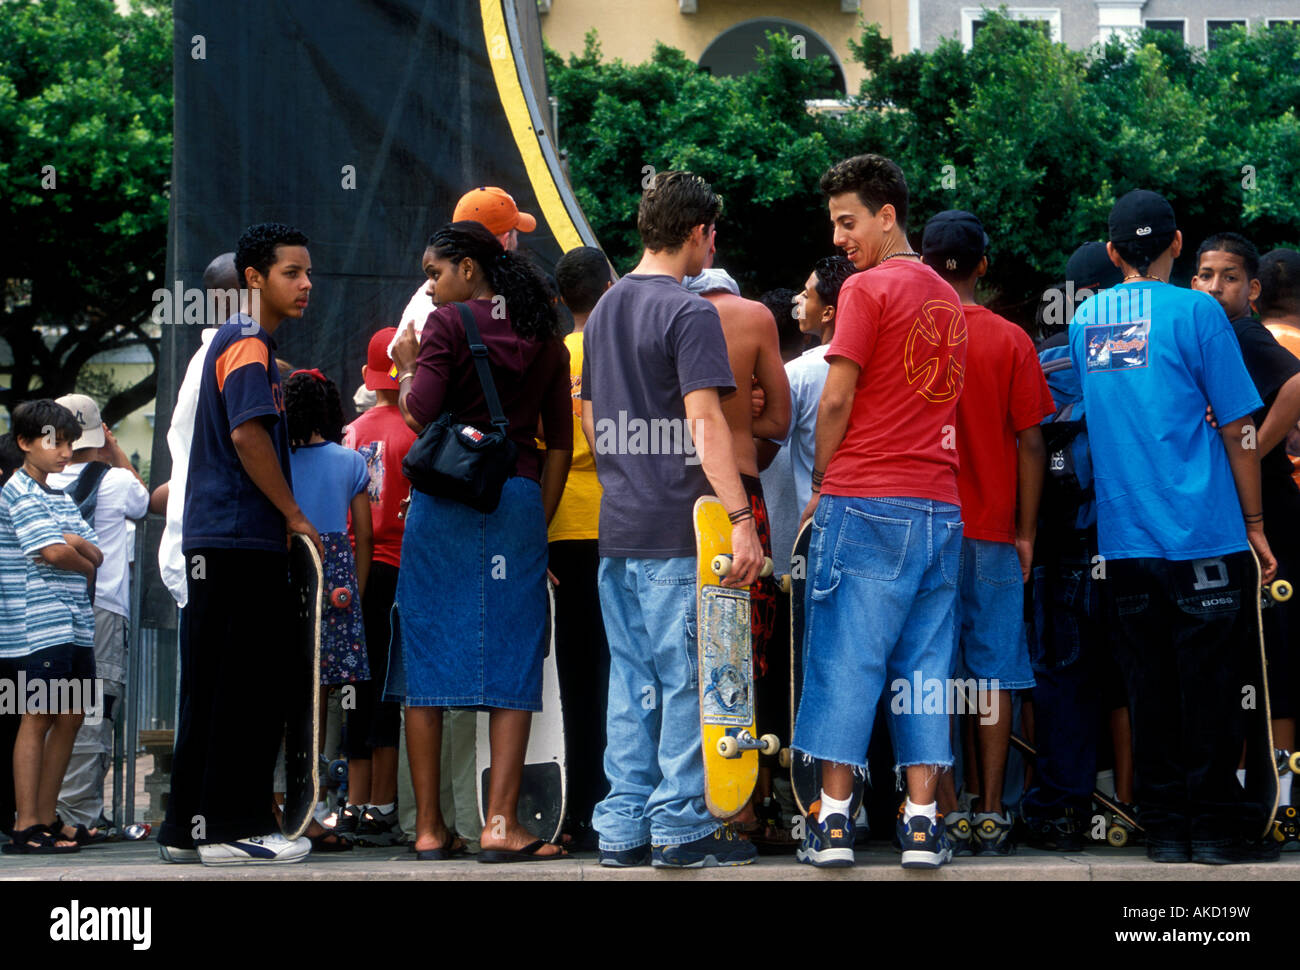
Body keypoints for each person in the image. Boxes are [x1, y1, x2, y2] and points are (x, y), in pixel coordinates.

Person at [1068, 190, 1276, 865]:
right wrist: (1254, 522)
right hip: (1207, 532)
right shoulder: (1200, 312)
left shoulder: (1087, 320)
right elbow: (1242, 427)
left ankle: (1165, 829)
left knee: (1148, 685)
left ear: (1110, 251)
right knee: (1211, 685)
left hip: (1126, 540)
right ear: (1178, 245)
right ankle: (1214, 830)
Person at [582, 171, 763, 868]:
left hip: (620, 528)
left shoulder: (603, 310)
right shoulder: (689, 314)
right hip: (678, 529)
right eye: (712, 233)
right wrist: (741, 518)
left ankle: (624, 823)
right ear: (699, 233)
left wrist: (630, 479)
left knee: (633, 682)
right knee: (690, 676)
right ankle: (682, 827)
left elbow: (596, 425)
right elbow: (706, 421)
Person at [793, 154, 966, 870]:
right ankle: (922, 824)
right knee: (924, 667)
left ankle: (834, 822)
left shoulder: (866, 290)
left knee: (843, 660)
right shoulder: (947, 298)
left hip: (865, 499)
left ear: (887, 215)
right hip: (940, 507)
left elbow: (836, 398)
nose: (839, 237)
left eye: (847, 221)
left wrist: (823, 479)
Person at [388, 220, 572, 862]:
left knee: (428, 653)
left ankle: (430, 829)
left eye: (435, 271)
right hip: (516, 498)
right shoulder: (544, 333)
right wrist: (534, 524)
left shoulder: (445, 326)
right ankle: (501, 824)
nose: (430, 286)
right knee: (514, 655)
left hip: (443, 503)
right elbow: (559, 444)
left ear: (469, 268)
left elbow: (419, 412)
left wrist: (409, 368)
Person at [157, 222, 320, 866]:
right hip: (237, 540)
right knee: (246, 687)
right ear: (253, 280)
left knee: (211, 687)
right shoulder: (249, 342)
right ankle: (233, 829)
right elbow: (251, 437)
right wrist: (294, 514)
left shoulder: (231, 342)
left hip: (214, 541)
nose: (307, 284)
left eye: (308, 272)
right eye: (292, 273)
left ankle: (187, 831)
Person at [920, 211, 1054, 856]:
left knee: (932, 669)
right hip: (996, 530)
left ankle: (942, 808)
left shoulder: (910, 336)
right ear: (982, 264)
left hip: (921, 525)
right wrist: (1026, 530)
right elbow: (1032, 440)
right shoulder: (1010, 340)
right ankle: (994, 810)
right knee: (996, 669)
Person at [1022, 242, 1133, 851]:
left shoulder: (1046, 363)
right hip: (1139, 542)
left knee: (1063, 676)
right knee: (1142, 676)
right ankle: (1162, 805)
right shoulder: (1136, 356)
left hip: (1061, 544)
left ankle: (1059, 811)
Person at [1192, 234, 1300, 846]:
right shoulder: (1210, 333)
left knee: (1273, 659)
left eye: (1228, 277)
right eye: (1204, 275)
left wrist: (1252, 453)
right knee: (1243, 667)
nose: (1213, 287)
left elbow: (1296, 383)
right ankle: (1252, 797)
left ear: (1252, 289)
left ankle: (1280, 803)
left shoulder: (1246, 336)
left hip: (1274, 521)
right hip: (1237, 520)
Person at [0, 400, 102, 854]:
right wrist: (75, 551)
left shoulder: (57, 495)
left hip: (74, 623)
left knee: (72, 716)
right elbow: (58, 553)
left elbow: (93, 550)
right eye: (54, 442)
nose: (64, 452)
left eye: (68, 443)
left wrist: (74, 546)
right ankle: (26, 824)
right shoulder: (18, 491)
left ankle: (46, 815)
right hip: (37, 627)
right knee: (38, 715)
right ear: (25, 443)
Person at [46, 394, 149, 843]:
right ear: (99, 433)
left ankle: (39, 811)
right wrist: (114, 450)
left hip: (44, 610)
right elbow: (145, 501)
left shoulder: (32, 483)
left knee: (42, 710)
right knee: (93, 709)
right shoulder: (116, 482)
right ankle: (80, 813)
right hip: (102, 607)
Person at [283, 368, 372, 848]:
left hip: (288, 571)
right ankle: (312, 809)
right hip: (335, 582)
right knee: (319, 701)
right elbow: (365, 535)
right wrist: (352, 592)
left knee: (280, 692)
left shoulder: (276, 459)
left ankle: (277, 802)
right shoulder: (350, 462)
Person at [337, 328, 415, 846]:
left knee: (355, 687)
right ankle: (385, 804)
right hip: (400, 569)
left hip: (352, 570)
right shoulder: (417, 430)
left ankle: (354, 802)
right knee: (391, 687)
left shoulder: (349, 434)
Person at [549, 246, 614, 850]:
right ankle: (620, 805)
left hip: (562, 526)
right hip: (617, 520)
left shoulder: (553, 356)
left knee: (575, 674)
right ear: (611, 284)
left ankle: (579, 809)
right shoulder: (614, 349)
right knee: (622, 667)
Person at [153, 252, 241, 602]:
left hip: (208, 536)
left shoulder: (222, 355)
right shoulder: (222, 359)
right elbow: (245, 440)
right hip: (214, 537)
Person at [391, 186, 537, 353]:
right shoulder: (511, 299)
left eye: (436, 275)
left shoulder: (424, 300)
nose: (431, 289)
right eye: (516, 234)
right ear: (505, 242)